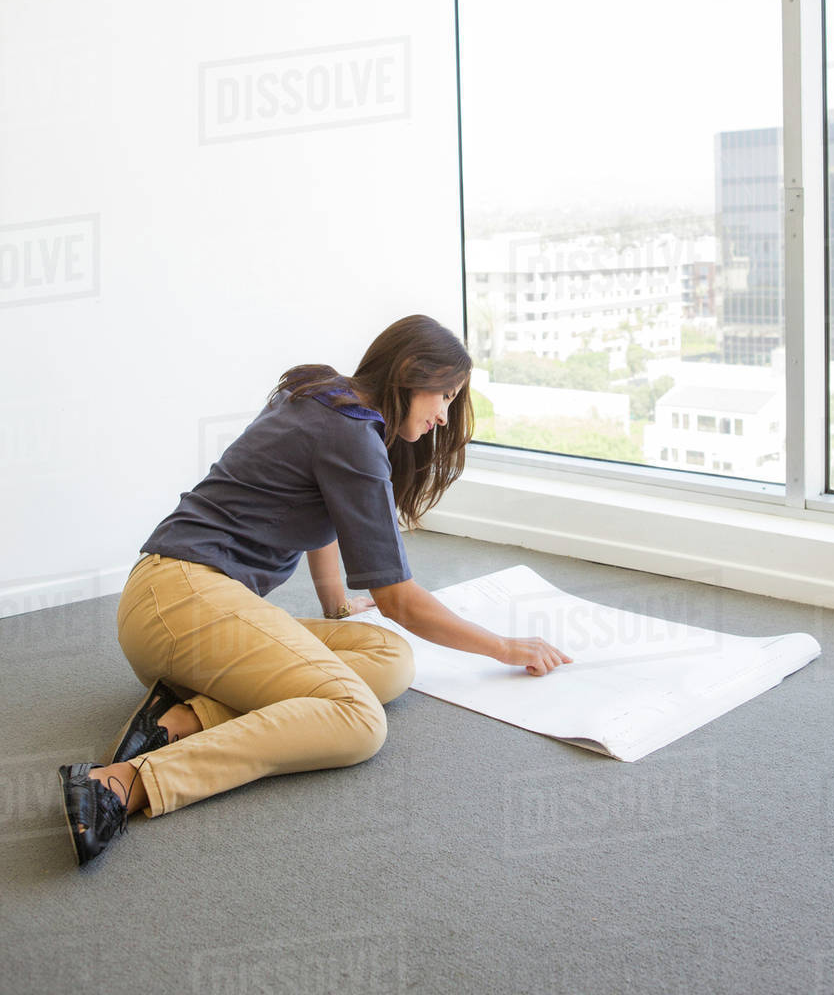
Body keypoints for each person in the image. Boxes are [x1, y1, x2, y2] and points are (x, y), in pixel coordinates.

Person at [58, 314, 572, 865]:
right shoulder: (353, 435)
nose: (444, 417)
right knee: (358, 722)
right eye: (442, 396)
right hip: (183, 600)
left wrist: (337, 605)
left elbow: (322, 516)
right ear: (409, 375)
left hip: (175, 602)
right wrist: (505, 647)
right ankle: (119, 783)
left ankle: (179, 719)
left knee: (390, 658)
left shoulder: (325, 395)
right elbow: (398, 598)